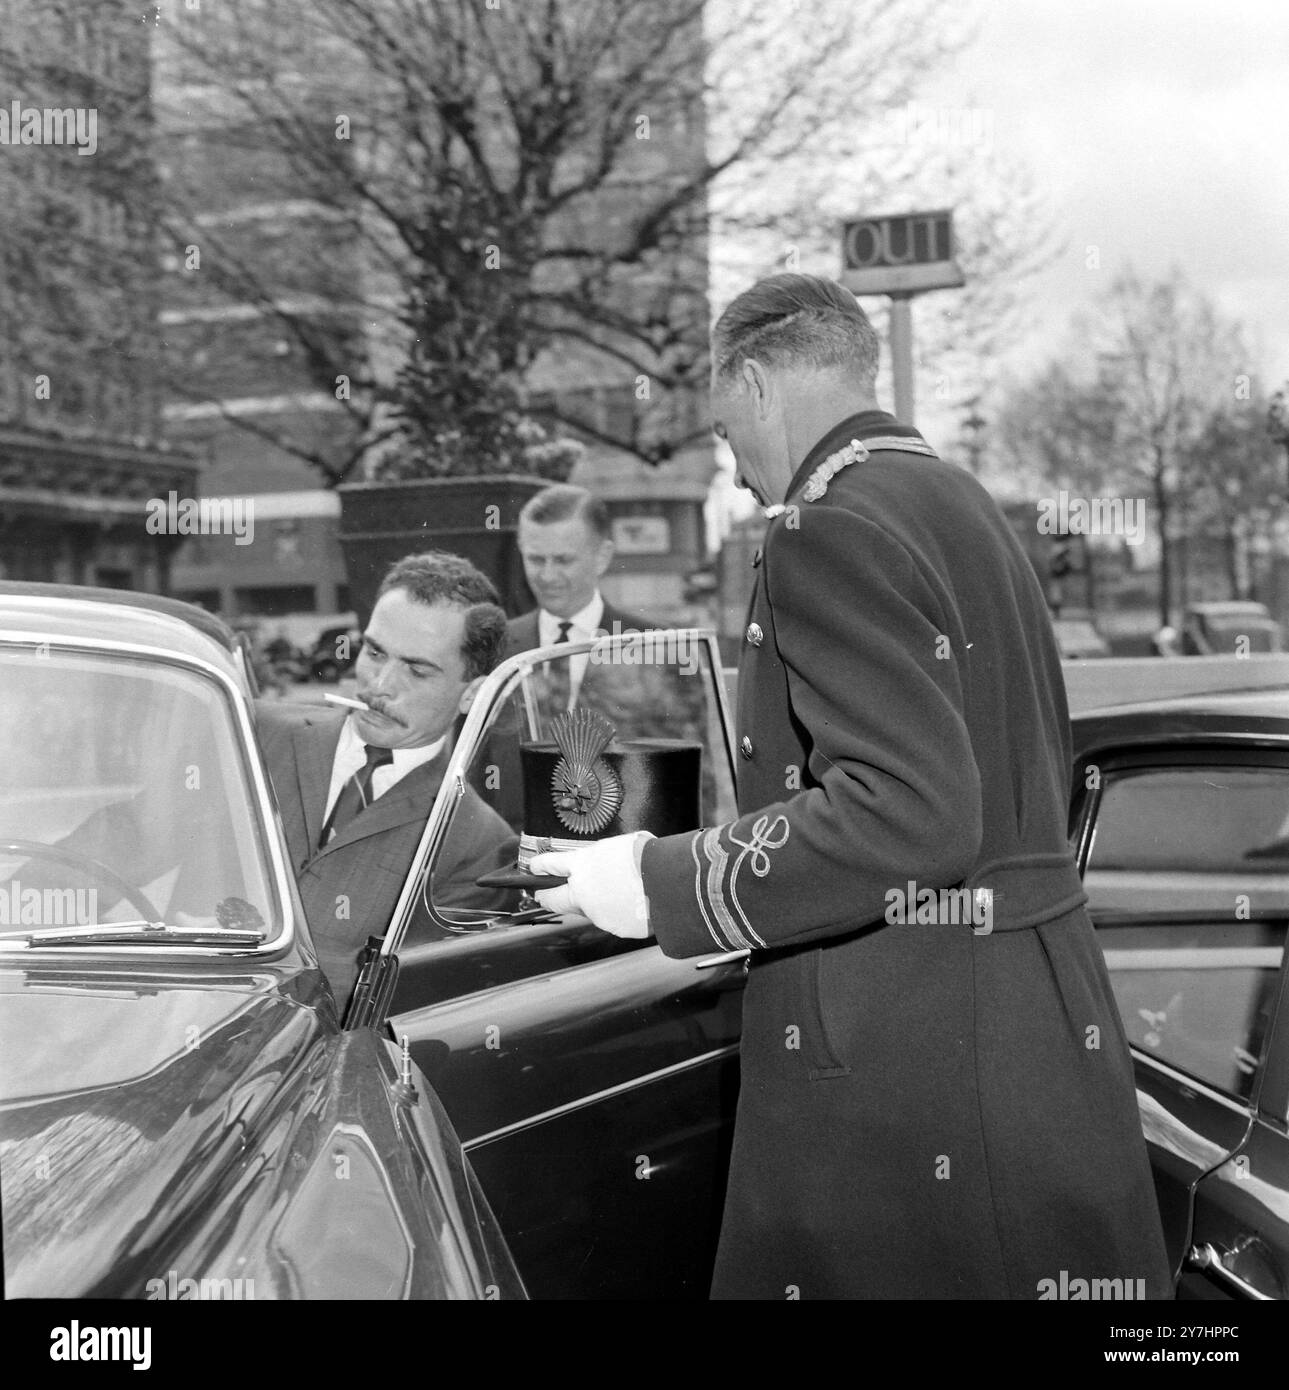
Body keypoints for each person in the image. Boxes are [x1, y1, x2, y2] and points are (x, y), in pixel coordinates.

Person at [530, 273, 1173, 1300]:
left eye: (722, 427)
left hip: (903, 1048)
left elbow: (908, 811)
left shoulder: (824, 527)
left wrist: (657, 879)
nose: (733, 467)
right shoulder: (960, 502)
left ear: (751, 383)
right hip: (1035, 1023)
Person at [257, 551, 517, 1013]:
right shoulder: (254, 731)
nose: (381, 684)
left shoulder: (478, 844)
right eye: (374, 652)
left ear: (474, 694)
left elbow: (406, 1009)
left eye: (416, 670)